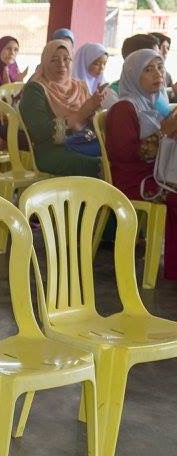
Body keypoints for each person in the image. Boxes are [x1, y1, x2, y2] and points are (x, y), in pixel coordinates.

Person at [106, 48, 177, 281]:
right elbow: (126, 154)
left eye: (160, 67)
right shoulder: (123, 109)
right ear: (133, 75)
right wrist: (164, 133)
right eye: (148, 69)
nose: (158, 73)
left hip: (157, 172)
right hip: (135, 180)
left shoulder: (158, 103)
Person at [18, 39, 102, 177]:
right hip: (50, 151)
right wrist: (80, 115)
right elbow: (40, 133)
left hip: (84, 142)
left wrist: (94, 112)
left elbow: (92, 126)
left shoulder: (79, 87)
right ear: (45, 62)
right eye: (54, 60)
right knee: (98, 165)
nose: (61, 64)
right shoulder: (35, 90)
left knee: (113, 156)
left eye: (66, 59)